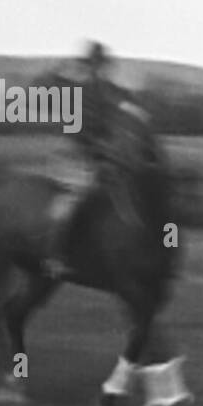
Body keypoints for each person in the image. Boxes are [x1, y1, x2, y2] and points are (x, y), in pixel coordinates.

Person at [44, 41, 156, 278]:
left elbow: (128, 116)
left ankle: (159, 248)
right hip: (78, 158)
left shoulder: (112, 92)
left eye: (103, 65)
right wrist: (98, 150)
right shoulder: (75, 94)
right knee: (74, 201)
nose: (100, 70)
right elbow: (74, 132)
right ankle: (55, 257)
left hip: (109, 158)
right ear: (89, 66)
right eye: (95, 65)